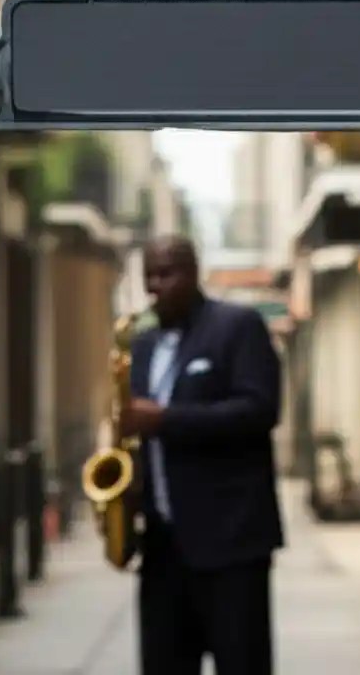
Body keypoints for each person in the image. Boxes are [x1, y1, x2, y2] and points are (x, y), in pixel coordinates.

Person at [121, 234, 284, 674]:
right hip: (163, 550)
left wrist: (165, 420)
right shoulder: (143, 345)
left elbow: (259, 410)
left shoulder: (238, 326)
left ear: (193, 273)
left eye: (166, 274)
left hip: (231, 546)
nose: (156, 286)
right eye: (149, 276)